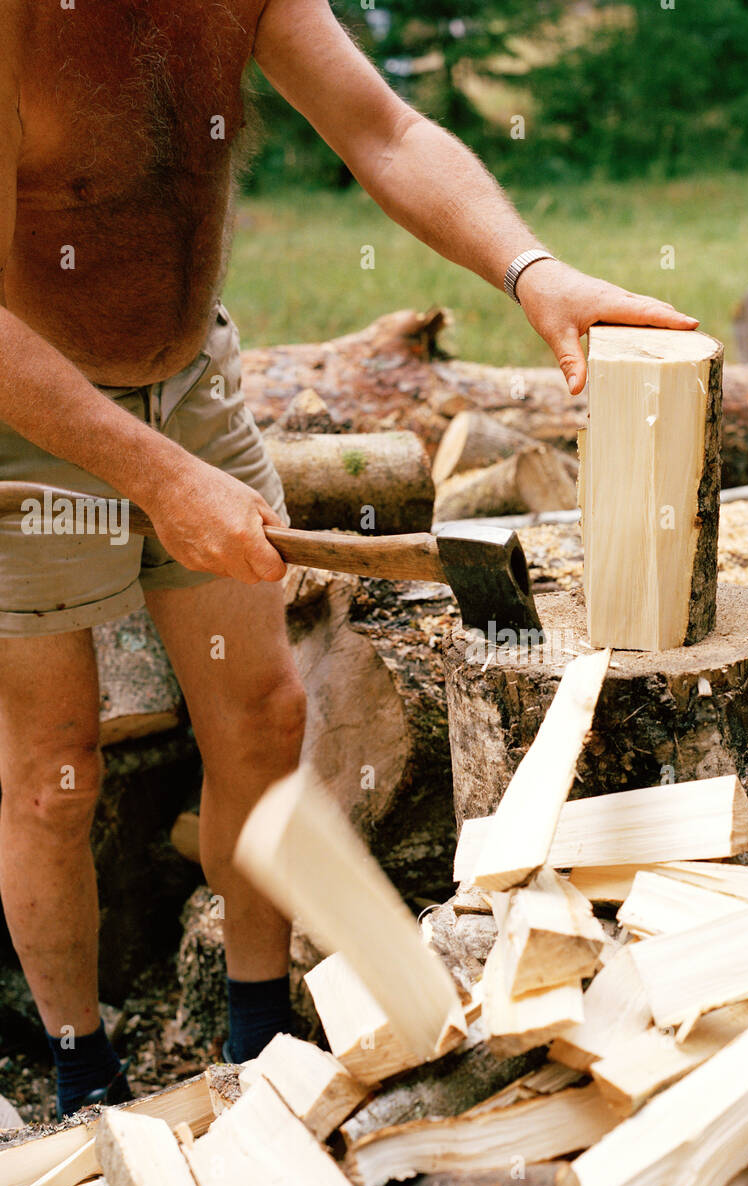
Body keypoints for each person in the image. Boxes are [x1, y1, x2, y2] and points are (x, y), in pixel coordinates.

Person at [0, 0, 698, 1115]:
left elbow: (383, 132)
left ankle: (257, 1042)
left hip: (190, 379)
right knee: (50, 771)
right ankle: (83, 1075)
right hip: (25, 414)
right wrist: (160, 480)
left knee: (266, 722)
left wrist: (532, 271)